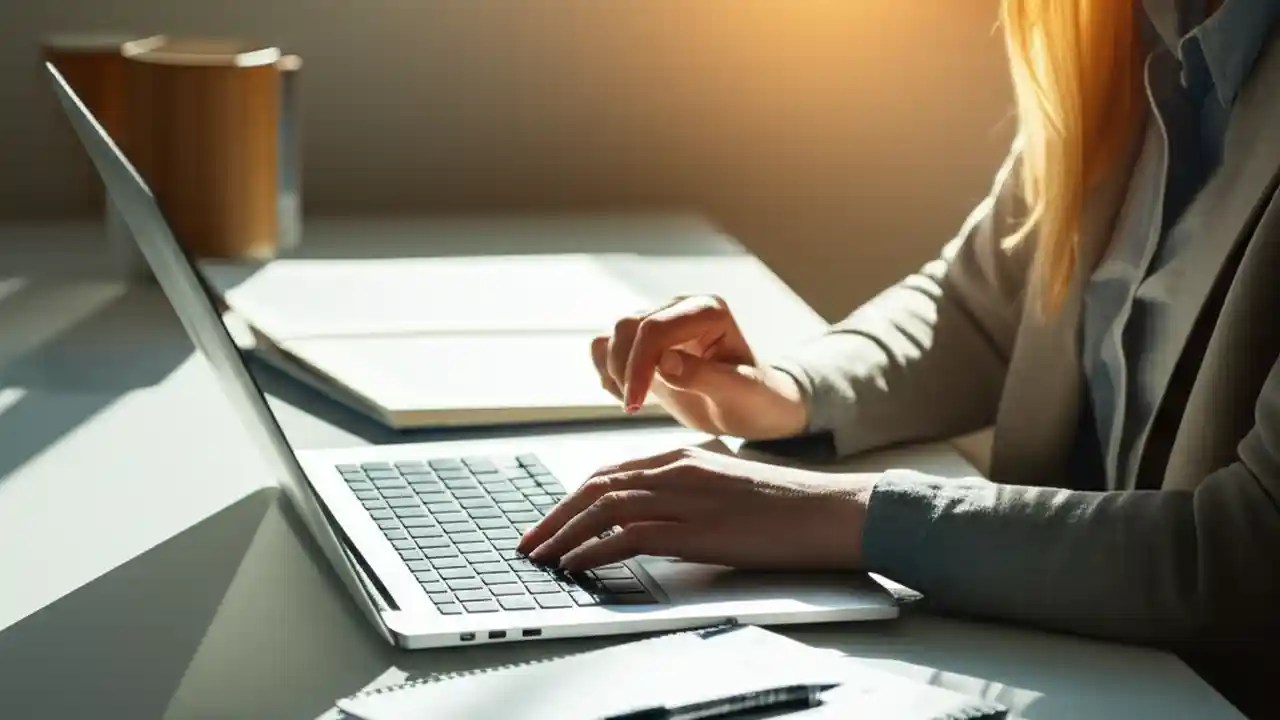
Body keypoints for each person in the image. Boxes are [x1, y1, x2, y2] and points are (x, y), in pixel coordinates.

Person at [520, 0, 1279, 713]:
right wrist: (784, 393)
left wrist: (844, 514)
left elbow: (1243, 557)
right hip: (1082, 667)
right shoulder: (1130, 30)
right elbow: (980, 311)